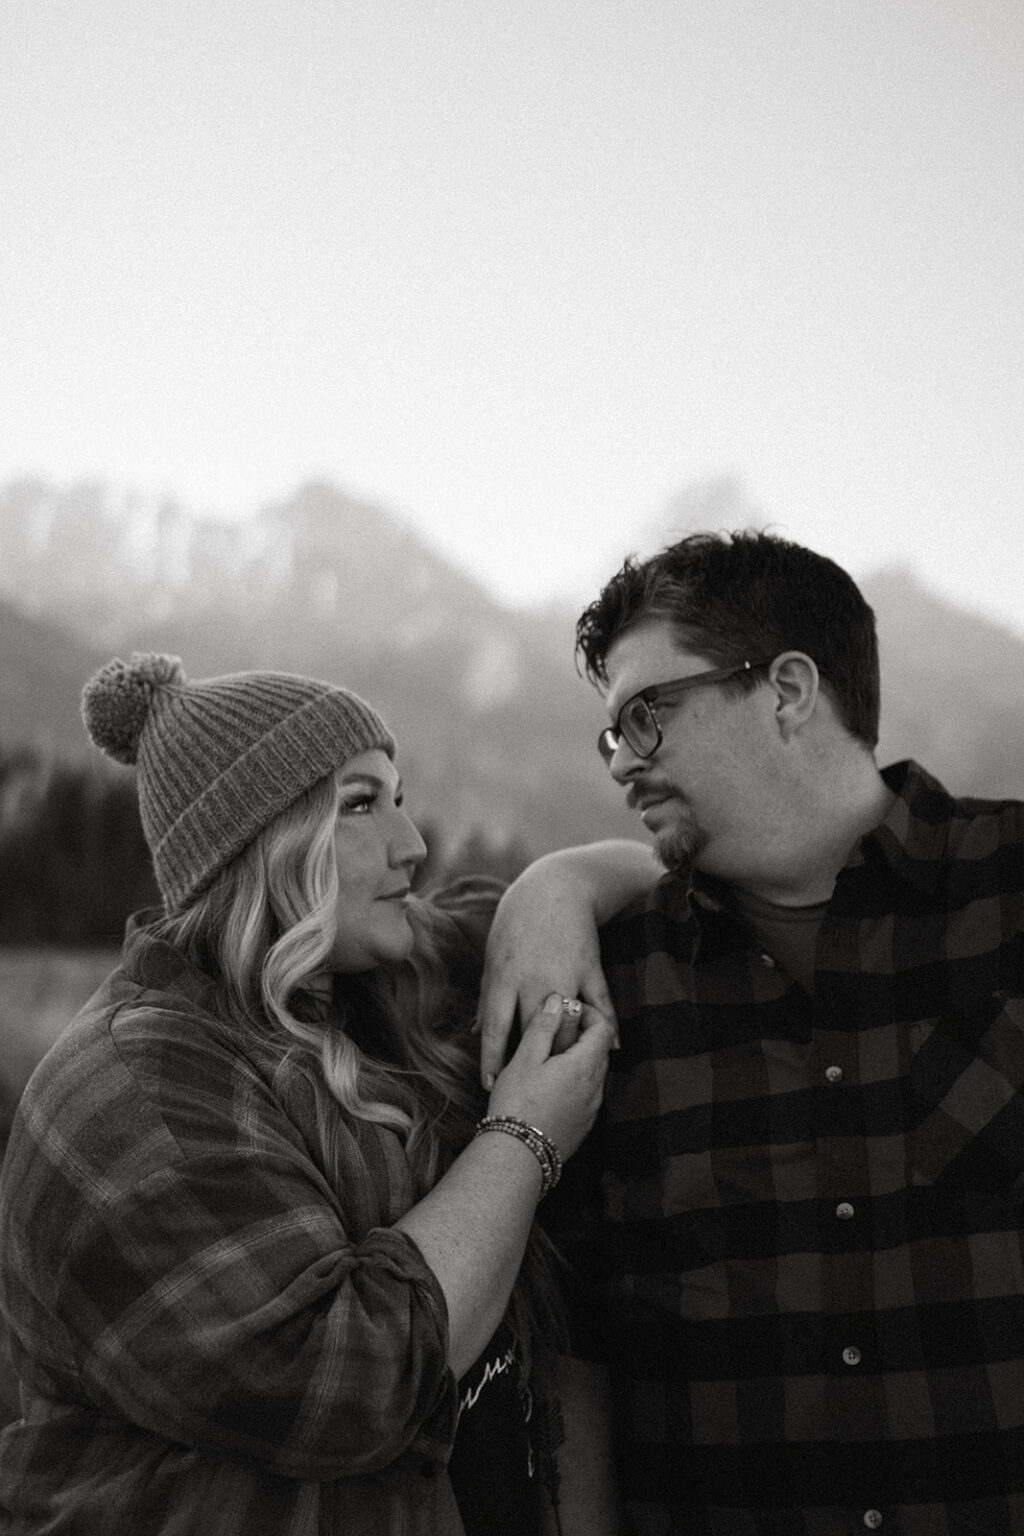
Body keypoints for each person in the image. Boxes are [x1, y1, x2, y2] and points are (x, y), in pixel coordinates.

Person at [0, 652, 627, 1536]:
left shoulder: (368, 977)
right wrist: (525, 1136)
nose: (411, 843)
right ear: (264, 842)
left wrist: (557, 887)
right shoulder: (132, 1097)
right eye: (360, 804)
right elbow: (354, 1384)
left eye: (399, 799)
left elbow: (644, 875)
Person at [478, 530, 1024, 1534]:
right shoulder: (615, 986)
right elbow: (583, 1360)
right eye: (609, 735)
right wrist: (546, 883)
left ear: (786, 690)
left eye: (646, 715)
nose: (620, 766)